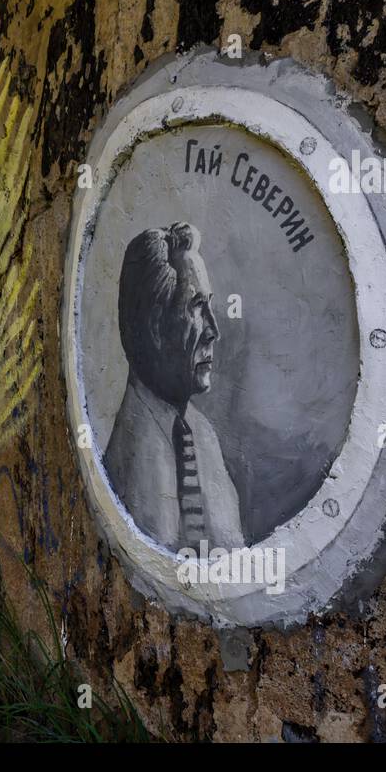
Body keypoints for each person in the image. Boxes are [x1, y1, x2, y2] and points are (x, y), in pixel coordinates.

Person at [102, 223, 244, 550]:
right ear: (155, 326)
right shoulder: (131, 455)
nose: (213, 331)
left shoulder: (204, 438)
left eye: (209, 305)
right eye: (196, 307)